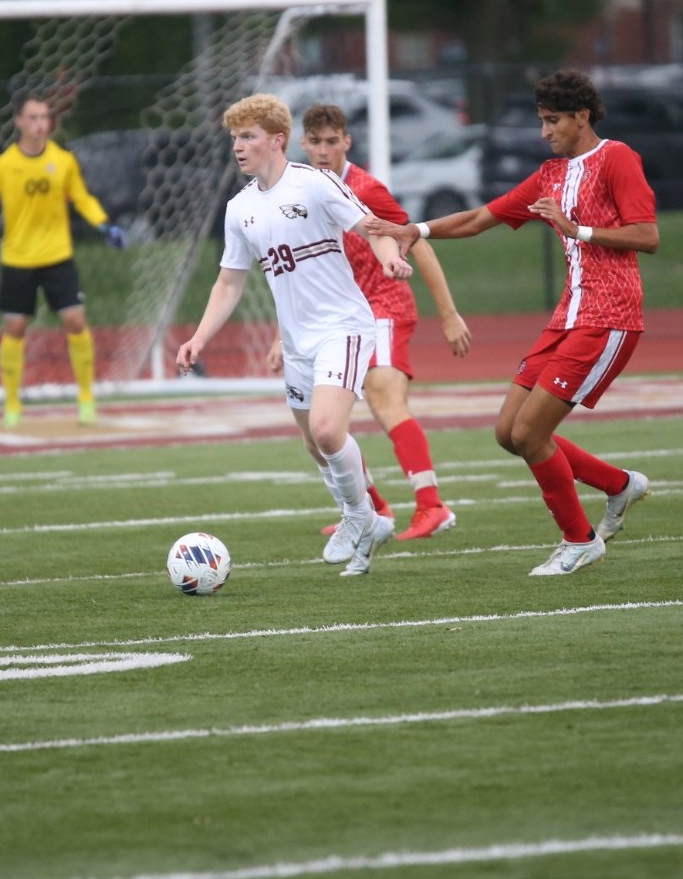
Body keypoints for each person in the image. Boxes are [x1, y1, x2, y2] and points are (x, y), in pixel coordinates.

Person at [367, 70, 652, 577]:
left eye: (553, 120)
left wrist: (577, 229)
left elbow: (647, 235)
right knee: (509, 432)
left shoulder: (617, 158)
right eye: (542, 120)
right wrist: (418, 228)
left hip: (609, 316)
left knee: (530, 432)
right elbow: (481, 218)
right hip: (568, 316)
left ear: (582, 116)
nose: (544, 131)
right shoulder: (551, 175)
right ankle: (617, 485)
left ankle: (579, 539)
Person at [175, 93, 413, 577]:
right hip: (298, 340)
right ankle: (366, 520)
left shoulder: (315, 183)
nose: (238, 147)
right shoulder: (239, 208)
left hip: (343, 327)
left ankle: (361, 516)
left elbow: (373, 225)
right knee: (312, 441)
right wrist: (199, 338)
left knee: (328, 430)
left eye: (248, 137)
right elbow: (229, 281)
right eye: (235, 138)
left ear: (277, 140)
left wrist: (388, 254)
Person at [296, 102, 471, 543]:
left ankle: (433, 506)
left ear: (347, 142)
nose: (323, 150)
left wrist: (448, 314)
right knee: (321, 425)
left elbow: (418, 243)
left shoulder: (365, 188)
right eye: (315, 142)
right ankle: (372, 509)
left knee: (384, 398)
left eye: (331, 141)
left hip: (385, 304)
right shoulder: (303, 191)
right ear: (302, 144)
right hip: (342, 317)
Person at [0, 94, 127, 428]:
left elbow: (82, 197)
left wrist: (106, 225)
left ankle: (87, 398)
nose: (39, 124)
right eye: (32, 118)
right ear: (18, 122)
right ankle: (13, 403)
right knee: (15, 327)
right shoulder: (5, 165)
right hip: (18, 259)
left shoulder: (63, 161)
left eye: (44, 118)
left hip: (57, 256)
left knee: (75, 320)